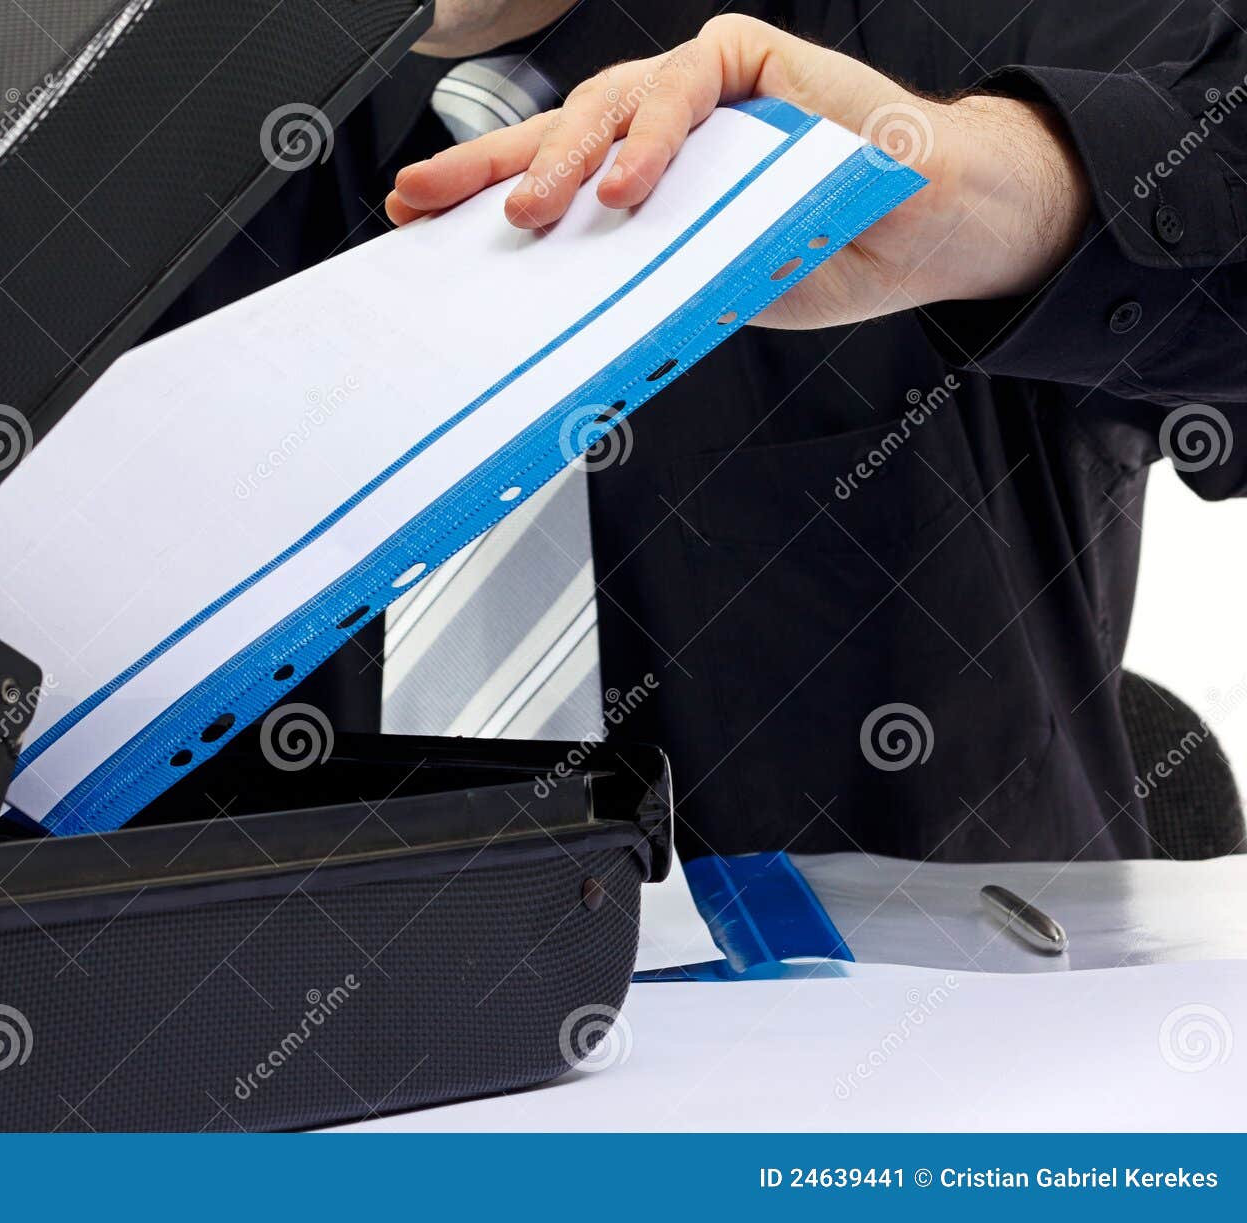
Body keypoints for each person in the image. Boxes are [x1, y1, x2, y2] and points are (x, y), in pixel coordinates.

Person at [201, 2, 1247, 862]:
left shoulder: (944, 29)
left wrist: (989, 192)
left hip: (925, 1075)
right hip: (284, 1073)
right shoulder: (149, 171)